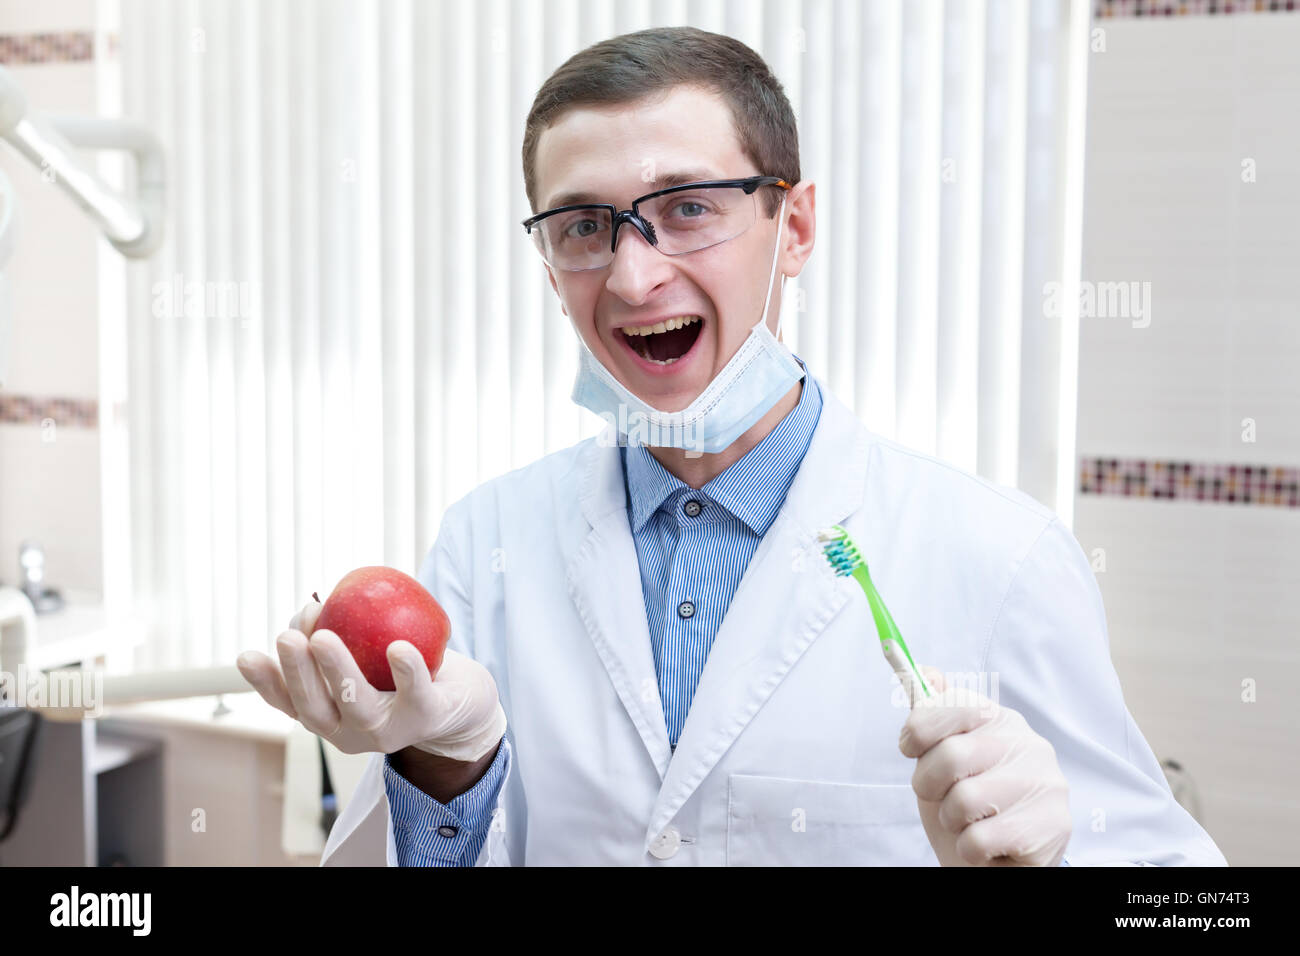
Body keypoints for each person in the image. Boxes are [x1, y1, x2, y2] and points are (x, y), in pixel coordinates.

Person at [237, 25, 1226, 867]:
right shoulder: (485, 539)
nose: (631, 277)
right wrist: (446, 759)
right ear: (548, 261)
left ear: (791, 225)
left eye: (687, 209)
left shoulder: (998, 556)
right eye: (585, 225)